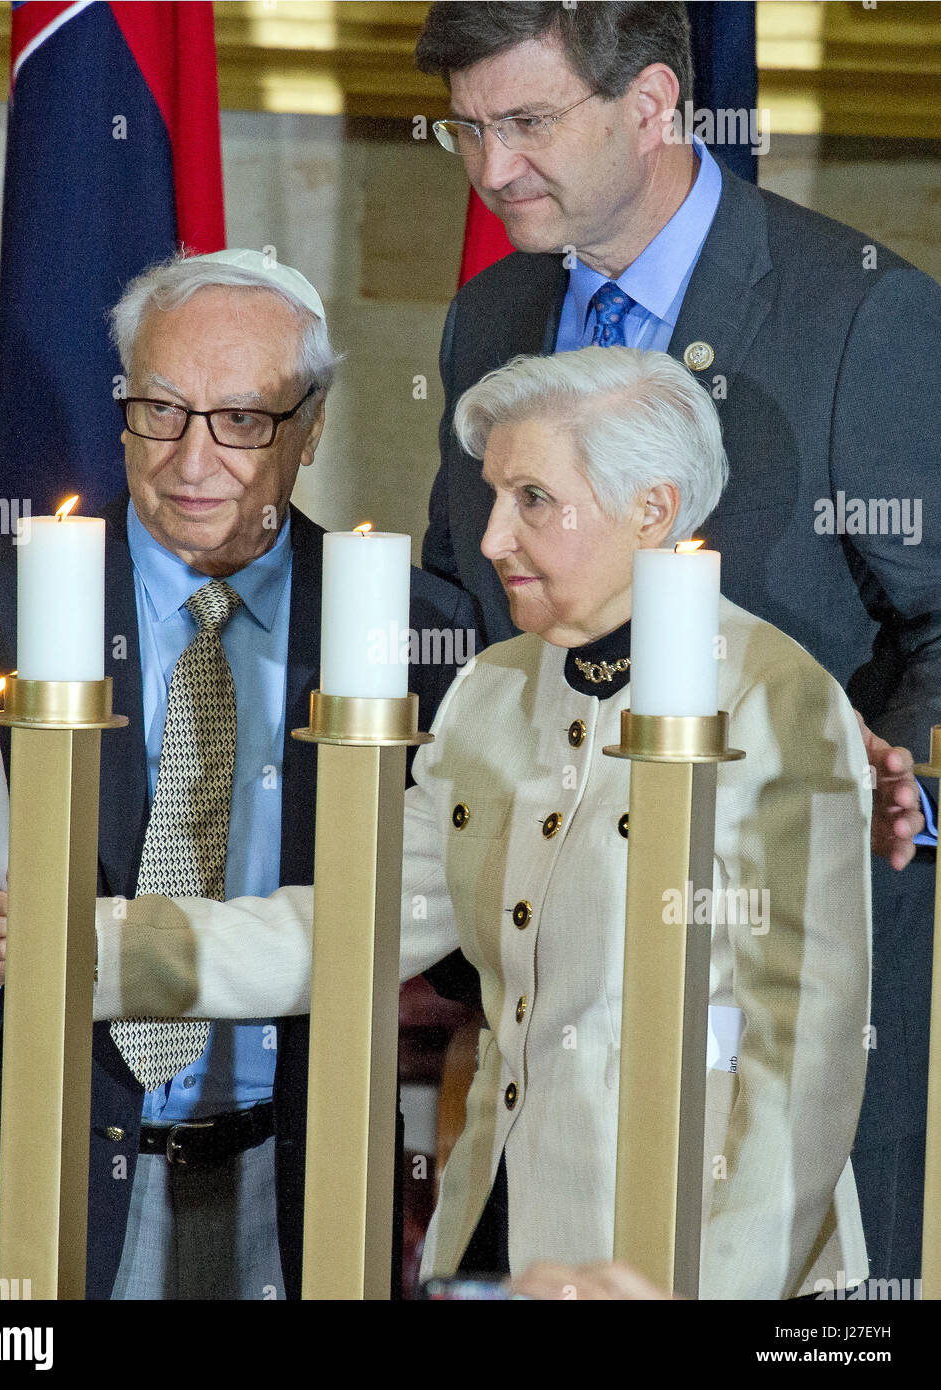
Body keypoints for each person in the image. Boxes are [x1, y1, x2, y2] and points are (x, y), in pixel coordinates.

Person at [19, 345, 873, 1297]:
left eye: (534, 500)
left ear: (654, 509)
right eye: (494, 495)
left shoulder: (779, 699)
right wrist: (65, 944)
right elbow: (352, 925)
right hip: (498, 1224)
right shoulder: (491, 692)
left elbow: (805, 1051)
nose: (496, 536)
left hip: (692, 1248)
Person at [413, 0, 941, 1283]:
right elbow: (459, 598)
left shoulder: (861, 315)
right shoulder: (491, 314)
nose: (492, 171)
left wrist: (898, 771)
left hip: (784, 983)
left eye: (528, 123)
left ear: (652, 106)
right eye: (467, 130)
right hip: (549, 1012)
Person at [0, 249, 477, 1301]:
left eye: (243, 419)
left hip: (299, 1178)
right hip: (42, 1165)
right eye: (160, 409)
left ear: (310, 428)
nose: (191, 459)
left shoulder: (411, 630)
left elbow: (459, 930)